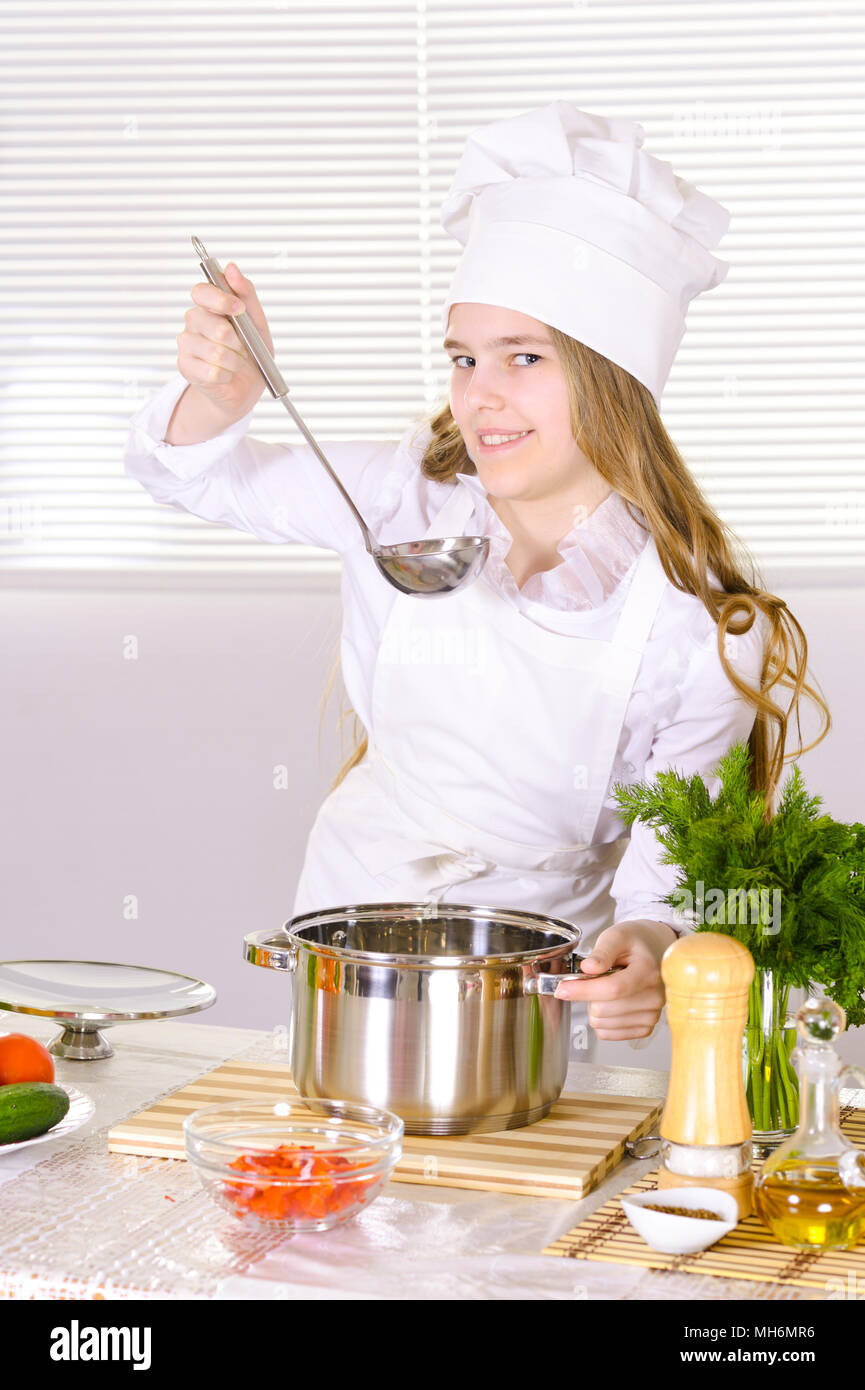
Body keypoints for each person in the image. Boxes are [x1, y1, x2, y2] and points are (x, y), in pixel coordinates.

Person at [123, 102, 829, 1053]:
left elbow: (660, 893)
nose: (478, 395)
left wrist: (649, 950)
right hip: (346, 944)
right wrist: (219, 397)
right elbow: (190, 477)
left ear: (616, 379)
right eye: (463, 358)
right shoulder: (402, 500)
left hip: (525, 1003)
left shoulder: (698, 628)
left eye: (523, 358)